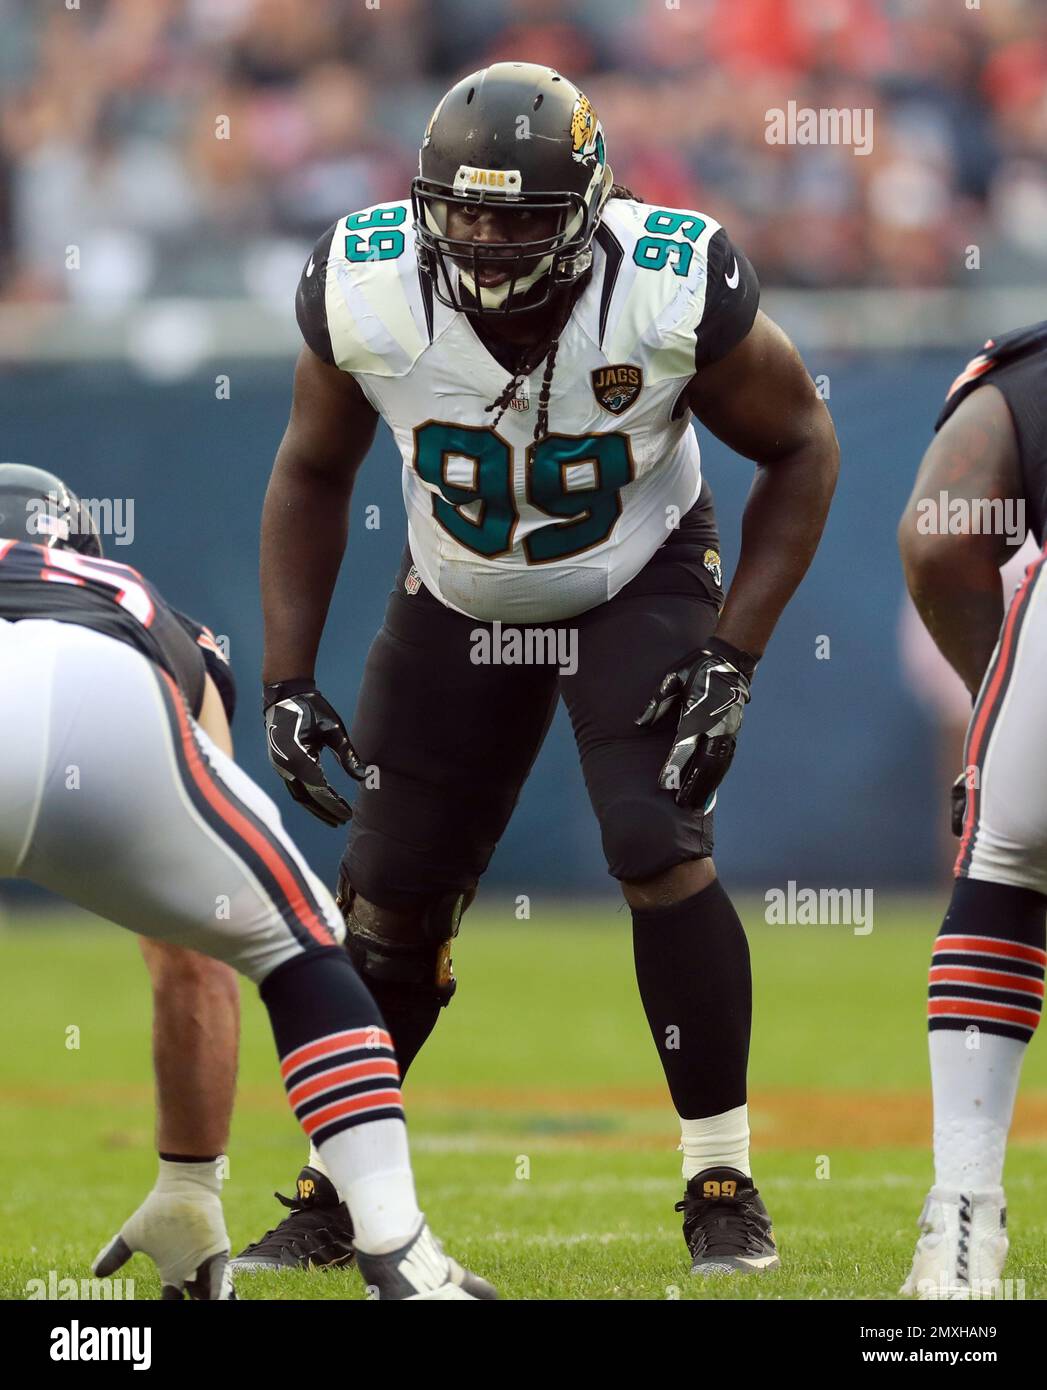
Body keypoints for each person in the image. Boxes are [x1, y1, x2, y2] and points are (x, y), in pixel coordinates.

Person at [234, 59, 838, 1279]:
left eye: (518, 219)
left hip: (634, 574)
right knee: (388, 899)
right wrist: (286, 680)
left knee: (657, 844)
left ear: (588, 209)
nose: (485, 240)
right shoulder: (366, 285)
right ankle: (341, 1190)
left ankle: (721, 1179)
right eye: (463, 212)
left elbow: (802, 445)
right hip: (458, 588)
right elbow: (310, 469)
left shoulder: (666, 283)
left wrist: (733, 657)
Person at [0, 462, 496, 1301]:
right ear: (79, 548)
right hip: (100, 696)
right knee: (299, 944)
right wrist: (189, 1182)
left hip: (97, 686)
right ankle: (392, 1240)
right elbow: (195, 947)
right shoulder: (133, 601)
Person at [899, 322, 1047, 1299]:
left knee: (1004, 864)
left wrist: (1001, 697)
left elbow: (938, 534)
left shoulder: (1026, 369)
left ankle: (963, 1224)